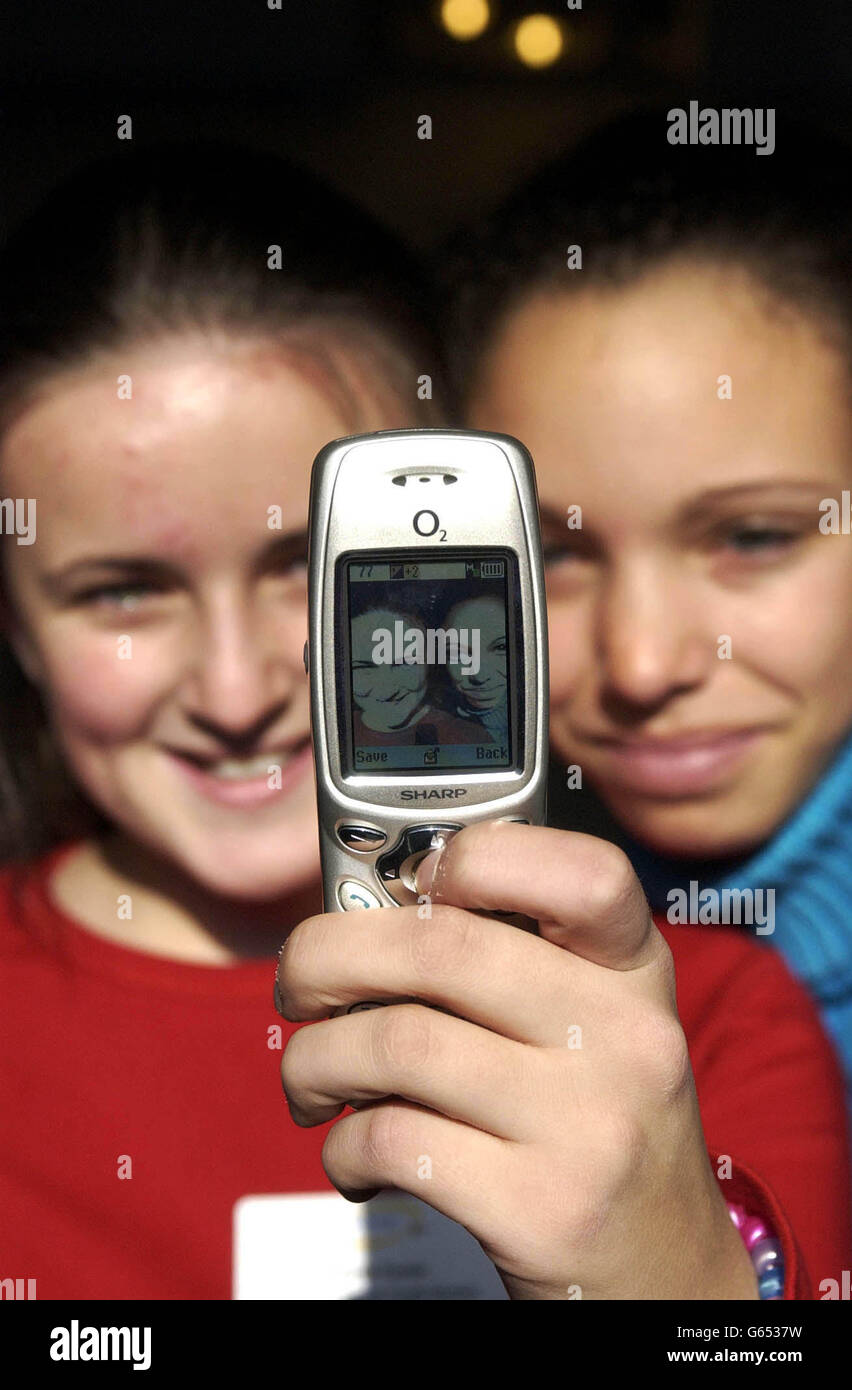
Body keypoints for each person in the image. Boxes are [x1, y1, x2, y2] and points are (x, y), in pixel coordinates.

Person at [0, 137, 847, 1302]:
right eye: (122, 589)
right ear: (15, 622)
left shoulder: (705, 1020)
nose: (239, 689)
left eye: (307, 561)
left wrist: (681, 1275)